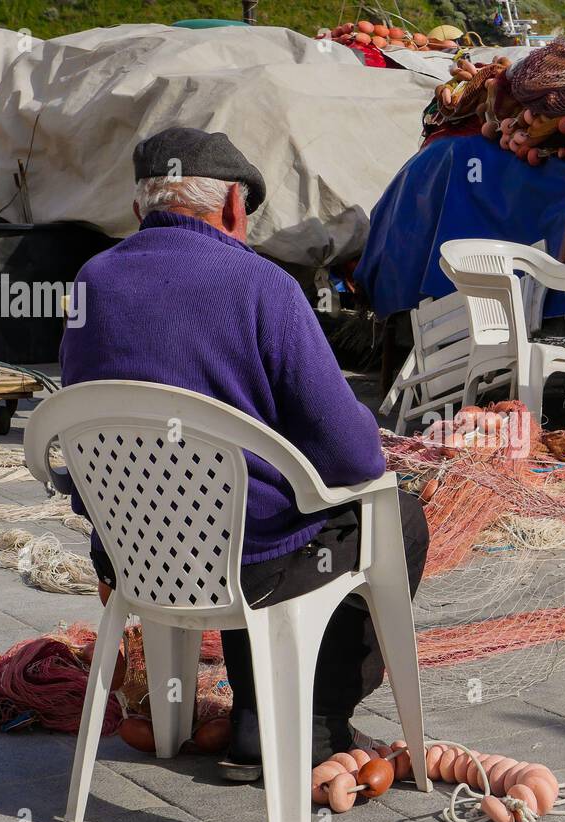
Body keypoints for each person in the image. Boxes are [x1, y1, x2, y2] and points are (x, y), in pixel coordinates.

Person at [59, 127, 429, 781]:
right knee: (391, 517)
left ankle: (258, 713)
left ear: (143, 208)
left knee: (243, 505)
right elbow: (350, 455)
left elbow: (81, 422)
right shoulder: (261, 285)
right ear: (234, 204)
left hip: (136, 555)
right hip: (245, 562)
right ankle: (310, 720)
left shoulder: (93, 282)